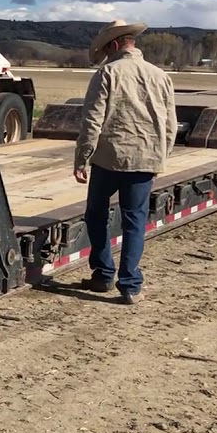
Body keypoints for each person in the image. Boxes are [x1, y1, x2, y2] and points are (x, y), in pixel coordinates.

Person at [72, 19, 177, 304]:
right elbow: (170, 124)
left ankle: (104, 273)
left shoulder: (107, 73)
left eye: (106, 50)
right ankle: (130, 285)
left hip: (109, 159)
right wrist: (161, 159)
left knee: (96, 214)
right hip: (145, 159)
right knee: (134, 221)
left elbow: (92, 120)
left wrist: (82, 159)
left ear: (115, 45)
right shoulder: (160, 76)